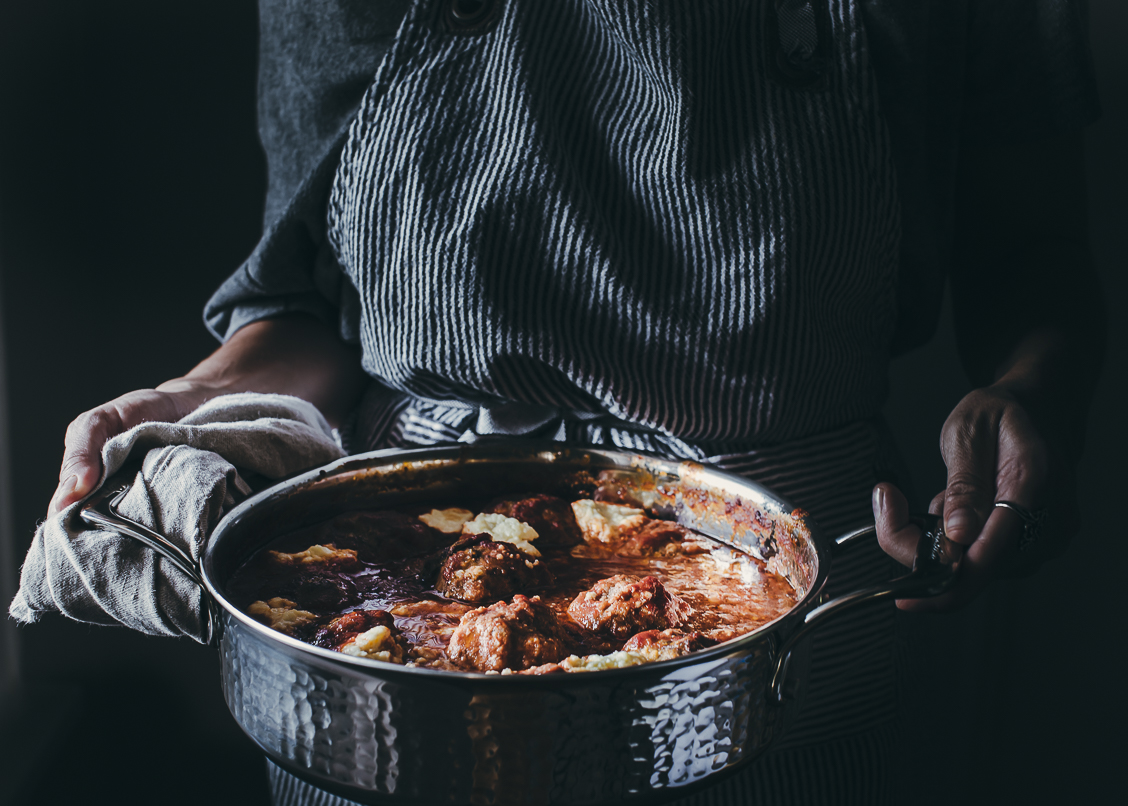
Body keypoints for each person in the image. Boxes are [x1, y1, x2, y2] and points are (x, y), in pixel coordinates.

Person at [45, 1, 1104, 804]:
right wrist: (193, 402)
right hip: (397, 667)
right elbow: (302, 305)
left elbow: (1036, 253)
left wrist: (1027, 397)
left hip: (783, 643)